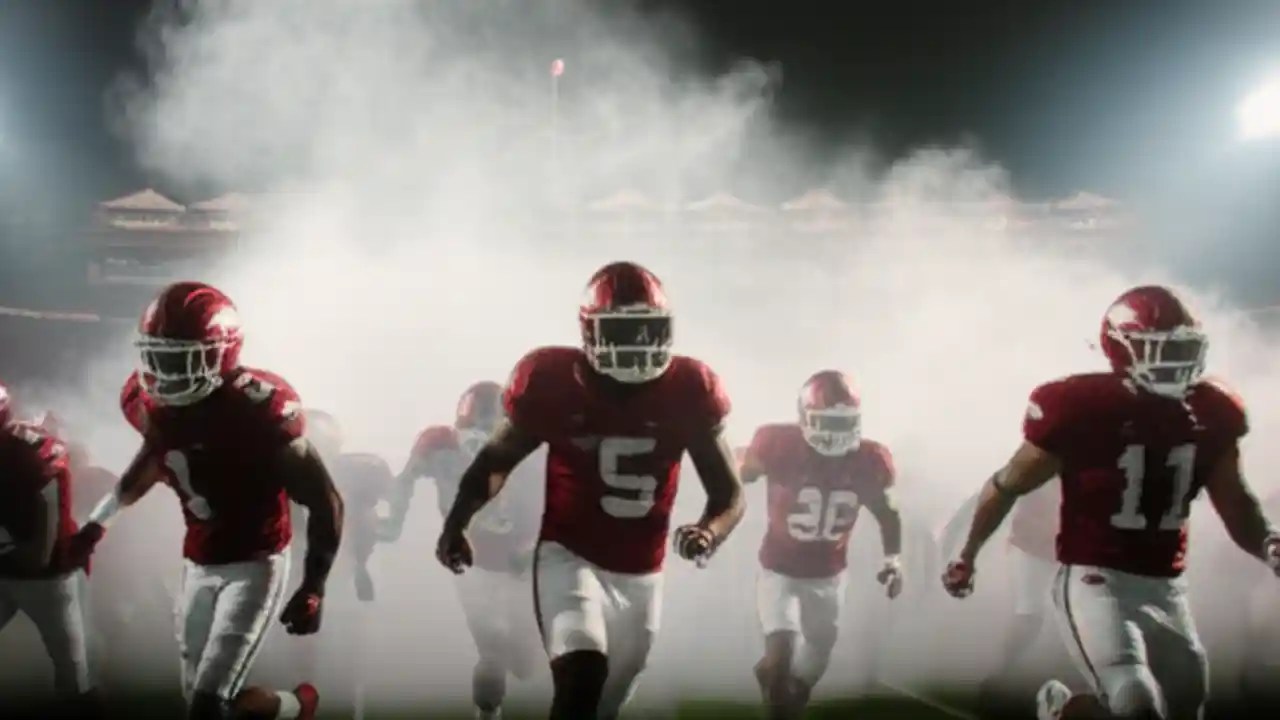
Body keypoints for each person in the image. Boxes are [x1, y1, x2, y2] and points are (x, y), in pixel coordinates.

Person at [941, 285, 1280, 720]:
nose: (1174, 361)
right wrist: (967, 552)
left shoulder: (1213, 411)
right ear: (1121, 348)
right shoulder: (1081, 407)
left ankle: (1063, 710)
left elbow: (1235, 503)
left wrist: (1268, 542)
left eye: (1182, 348)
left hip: (1167, 585)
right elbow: (1008, 484)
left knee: (1187, 703)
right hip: (1096, 579)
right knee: (1133, 697)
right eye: (1160, 348)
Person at [434, 261, 745, 720]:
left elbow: (729, 495)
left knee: (605, 704)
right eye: (622, 331)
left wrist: (709, 531)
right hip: (569, 556)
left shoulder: (690, 388)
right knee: (583, 674)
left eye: (646, 330)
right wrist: (457, 523)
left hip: (644, 570)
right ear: (590, 332)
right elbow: (494, 462)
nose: (637, 345)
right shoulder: (553, 380)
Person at [68, 281, 343, 720]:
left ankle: (294, 704)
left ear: (224, 354)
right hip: (198, 561)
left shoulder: (258, 412)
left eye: (182, 360)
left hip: (256, 562)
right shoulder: (150, 404)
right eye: (159, 357)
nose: (168, 375)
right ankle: (295, 706)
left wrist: (314, 587)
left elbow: (325, 501)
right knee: (206, 697)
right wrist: (97, 525)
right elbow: (152, 462)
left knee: (207, 705)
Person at [740, 369, 903, 719]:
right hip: (779, 570)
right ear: (803, 419)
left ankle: (778, 685)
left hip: (829, 577)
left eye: (843, 424)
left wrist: (893, 561)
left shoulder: (869, 460)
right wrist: (741, 465)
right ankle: (776, 680)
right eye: (826, 422)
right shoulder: (779, 444)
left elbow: (887, 514)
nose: (834, 434)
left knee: (809, 664)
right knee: (782, 655)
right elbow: (742, 471)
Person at [379, 381, 543, 720]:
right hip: (472, 558)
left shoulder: (530, 447)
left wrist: (533, 545)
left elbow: (553, 498)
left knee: (525, 664)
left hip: (520, 560)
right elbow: (405, 480)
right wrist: (394, 521)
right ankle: (487, 713)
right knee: (491, 647)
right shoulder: (438, 443)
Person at [0, 383, 101, 717]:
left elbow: (39, 554)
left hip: (48, 577)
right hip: (9, 564)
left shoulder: (33, 457)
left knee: (74, 679)